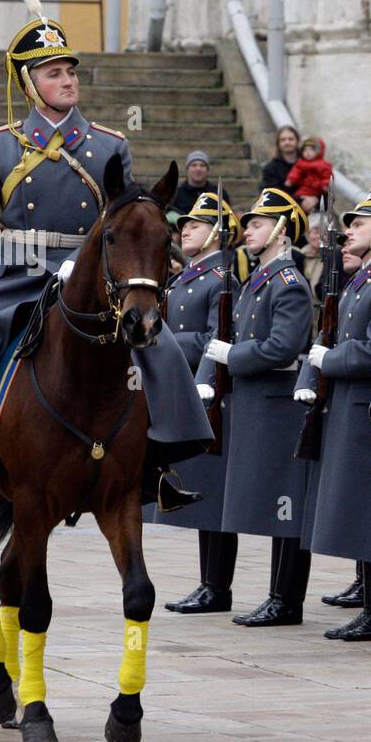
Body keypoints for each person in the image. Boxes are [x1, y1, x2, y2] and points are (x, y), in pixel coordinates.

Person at [0, 0, 210, 513]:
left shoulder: (110, 144)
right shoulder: (1, 144)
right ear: (30, 83)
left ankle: (159, 464)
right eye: (54, 73)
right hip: (15, 272)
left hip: (88, 274)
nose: (67, 81)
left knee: (156, 346)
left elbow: (126, 219)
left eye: (70, 71)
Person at [297, 186, 371, 641]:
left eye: (360, 224)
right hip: (349, 407)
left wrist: (329, 359)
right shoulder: (368, 276)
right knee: (362, 509)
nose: (349, 232)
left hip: (370, 407)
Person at [202, 188, 314, 627]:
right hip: (254, 405)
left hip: (276, 407)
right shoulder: (258, 279)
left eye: (258, 223)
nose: (248, 229)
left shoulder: (287, 283)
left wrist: (233, 357)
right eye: (249, 223)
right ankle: (276, 595)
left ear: (282, 231)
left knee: (285, 504)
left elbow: (283, 346)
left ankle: (286, 599)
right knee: (271, 502)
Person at [159, 193, 242, 614]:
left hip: (210, 396)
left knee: (212, 491)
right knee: (202, 491)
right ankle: (208, 582)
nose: (184, 229)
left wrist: (166, 340)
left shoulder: (221, 278)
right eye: (184, 223)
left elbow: (218, 340)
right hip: (183, 391)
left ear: (217, 233)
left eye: (195, 223)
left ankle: (217, 587)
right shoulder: (187, 276)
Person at [168, 149, 226, 215]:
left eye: (202, 165)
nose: (198, 169)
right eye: (194, 165)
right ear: (187, 169)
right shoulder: (176, 194)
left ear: (207, 170)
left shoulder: (219, 193)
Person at [286, 137, 333, 214]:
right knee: (296, 201)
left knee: (311, 207)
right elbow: (295, 171)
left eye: (311, 150)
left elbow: (327, 175)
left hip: (317, 189)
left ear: (318, 151)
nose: (308, 153)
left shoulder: (323, 164)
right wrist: (291, 179)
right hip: (303, 189)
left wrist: (325, 184)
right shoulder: (301, 162)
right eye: (305, 150)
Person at [259, 124, 301, 191]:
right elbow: (273, 195)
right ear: (278, 143)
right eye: (283, 140)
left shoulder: (309, 164)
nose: (287, 142)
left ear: (297, 141)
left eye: (291, 139)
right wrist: (301, 199)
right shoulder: (270, 169)